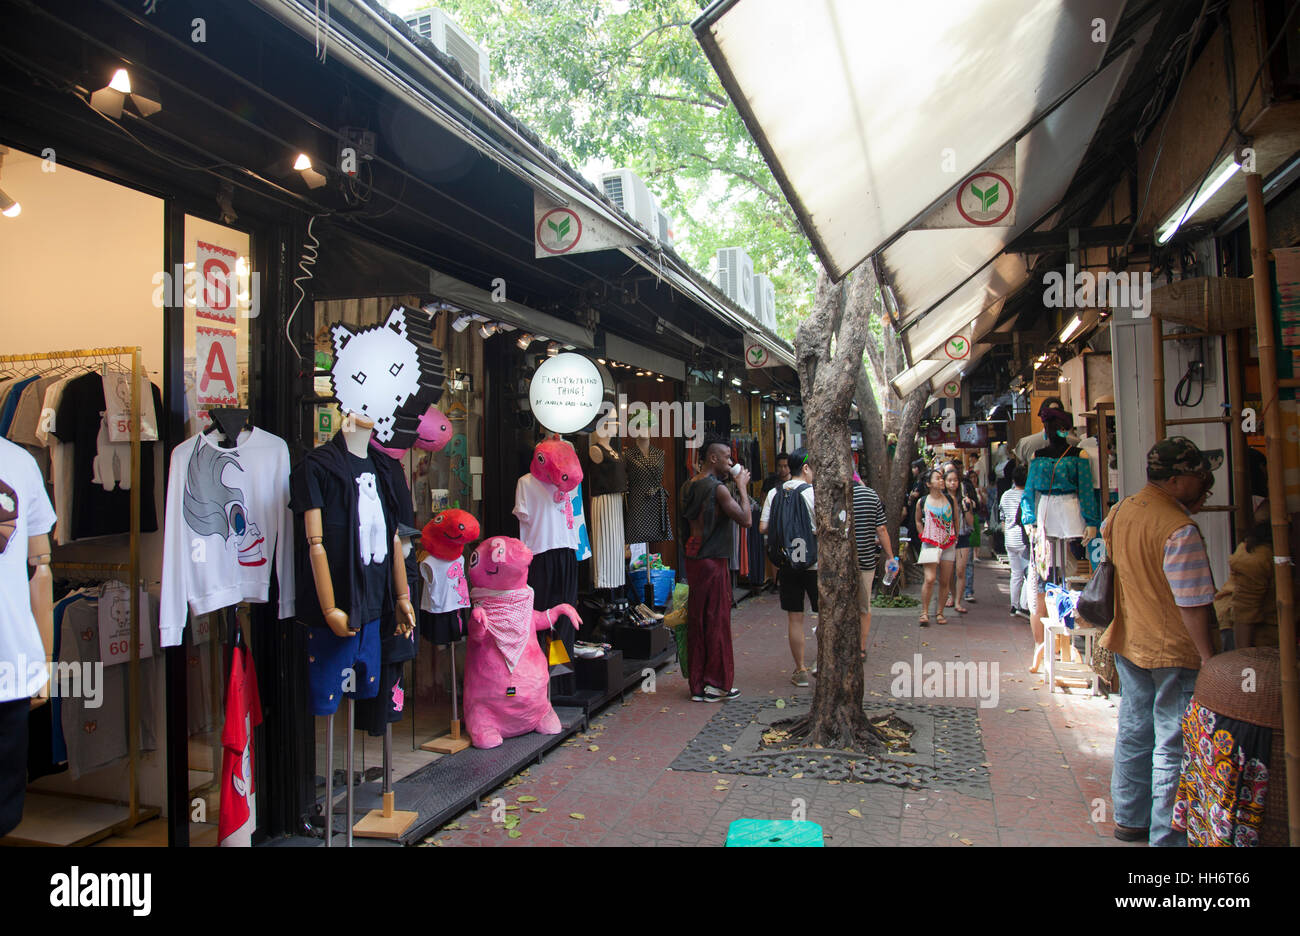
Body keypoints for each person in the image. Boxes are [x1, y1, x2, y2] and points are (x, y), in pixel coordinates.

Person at [1101, 437, 1216, 847]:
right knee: (1171, 744)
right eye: (1199, 475)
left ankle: (1130, 818)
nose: (1206, 483)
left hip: (1131, 640)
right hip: (1172, 650)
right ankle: (1165, 836)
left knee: (1134, 729)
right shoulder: (1178, 528)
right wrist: (1209, 658)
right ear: (1177, 478)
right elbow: (1193, 602)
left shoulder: (1123, 510)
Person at [680, 436, 751, 702]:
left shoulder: (688, 485)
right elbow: (746, 520)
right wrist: (741, 487)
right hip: (713, 559)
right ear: (713, 458)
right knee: (717, 620)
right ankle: (717, 684)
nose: (730, 462)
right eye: (726, 457)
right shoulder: (718, 488)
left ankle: (698, 685)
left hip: (694, 556)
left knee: (698, 620)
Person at [760, 447, 817, 686]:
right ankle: (822, 663)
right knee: (823, 615)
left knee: (795, 618)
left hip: (786, 562)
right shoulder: (813, 493)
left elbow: (763, 527)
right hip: (814, 563)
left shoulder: (774, 493)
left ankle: (800, 670)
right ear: (805, 468)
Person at [1214, 501, 1277, 651]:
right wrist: (1244, 657)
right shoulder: (1257, 555)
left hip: (1269, 631)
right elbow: (1244, 612)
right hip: (1241, 632)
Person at [852, 472, 892, 663]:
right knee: (864, 606)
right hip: (865, 561)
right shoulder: (870, 495)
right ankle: (860, 648)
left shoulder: (829, 494)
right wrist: (890, 556)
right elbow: (881, 529)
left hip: (838, 563)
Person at [915, 468, 957, 626]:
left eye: (942, 478)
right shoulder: (922, 501)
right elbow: (918, 520)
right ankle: (924, 612)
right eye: (938, 478)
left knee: (945, 580)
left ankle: (939, 612)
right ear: (928, 483)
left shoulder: (950, 499)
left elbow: (955, 519)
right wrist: (923, 534)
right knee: (930, 578)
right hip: (930, 543)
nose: (941, 481)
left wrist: (956, 536)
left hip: (948, 542)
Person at [1000, 463, 1030, 617]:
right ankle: (1025, 605)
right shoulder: (1028, 495)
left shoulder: (1005, 495)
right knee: (1029, 573)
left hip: (1010, 539)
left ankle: (1014, 605)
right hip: (1024, 539)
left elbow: (1002, 518)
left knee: (1016, 573)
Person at [945, 467, 975, 614]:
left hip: (962, 536)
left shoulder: (964, 500)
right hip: (947, 539)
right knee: (949, 572)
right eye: (949, 480)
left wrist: (967, 508)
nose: (952, 483)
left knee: (960, 570)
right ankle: (952, 595)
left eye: (955, 480)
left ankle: (958, 601)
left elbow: (971, 522)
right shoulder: (942, 500)